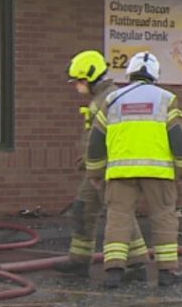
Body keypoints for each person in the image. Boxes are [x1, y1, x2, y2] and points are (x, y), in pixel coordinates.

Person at [85, 51, 182, 289]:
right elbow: (177, 136)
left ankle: (114, 271)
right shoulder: (166, 99)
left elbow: (96, 139)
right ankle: (167, 272)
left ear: (129, 73)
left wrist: (95, 173)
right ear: (155, 74)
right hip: (159, 173)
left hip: (120, 173)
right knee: (164, 217)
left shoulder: (112, 100)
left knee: (118, 218)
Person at [55, 51, 149, 283]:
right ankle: (79, 260)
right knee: (83, 209)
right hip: (95, 167)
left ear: (91, 77)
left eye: (79, 81)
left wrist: (96, 161)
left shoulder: (109, 99)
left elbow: (107, 137)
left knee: (119, 214)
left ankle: (137, 264)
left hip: (109, 168)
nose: (76, 86)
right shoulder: (101, 98)